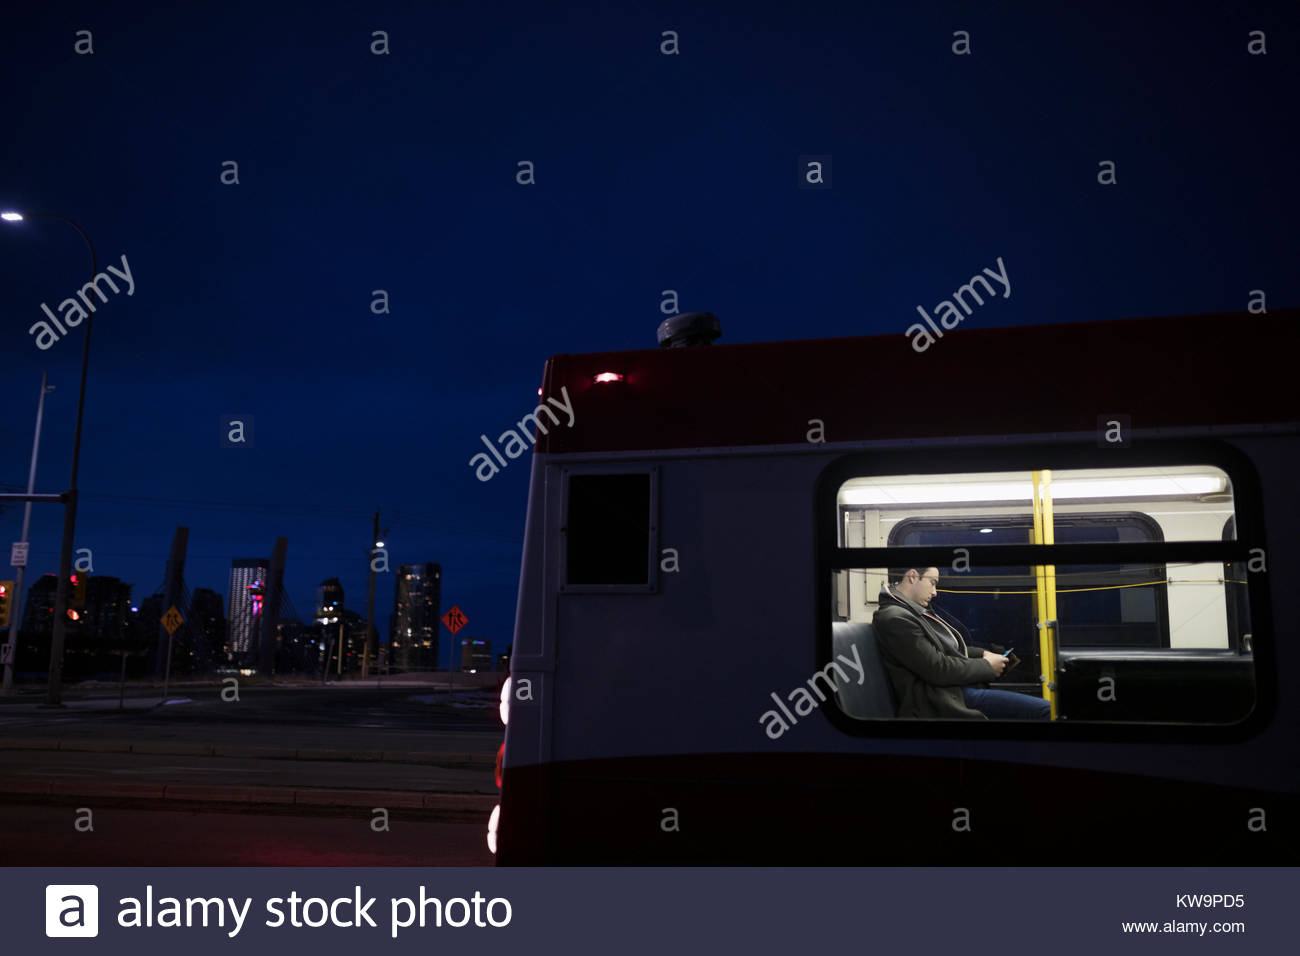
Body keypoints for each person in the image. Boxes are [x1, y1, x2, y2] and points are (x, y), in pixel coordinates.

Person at [873, 567, 1051, 720]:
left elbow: (946, 649)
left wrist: (982, 654)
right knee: (1047, 711)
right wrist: (987, 667)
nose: (935, 592)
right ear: (912, 576)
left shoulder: (910, 611)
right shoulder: (895, 618)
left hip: (953, 690)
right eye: (933, 582)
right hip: (941, 700)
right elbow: (938, 668)